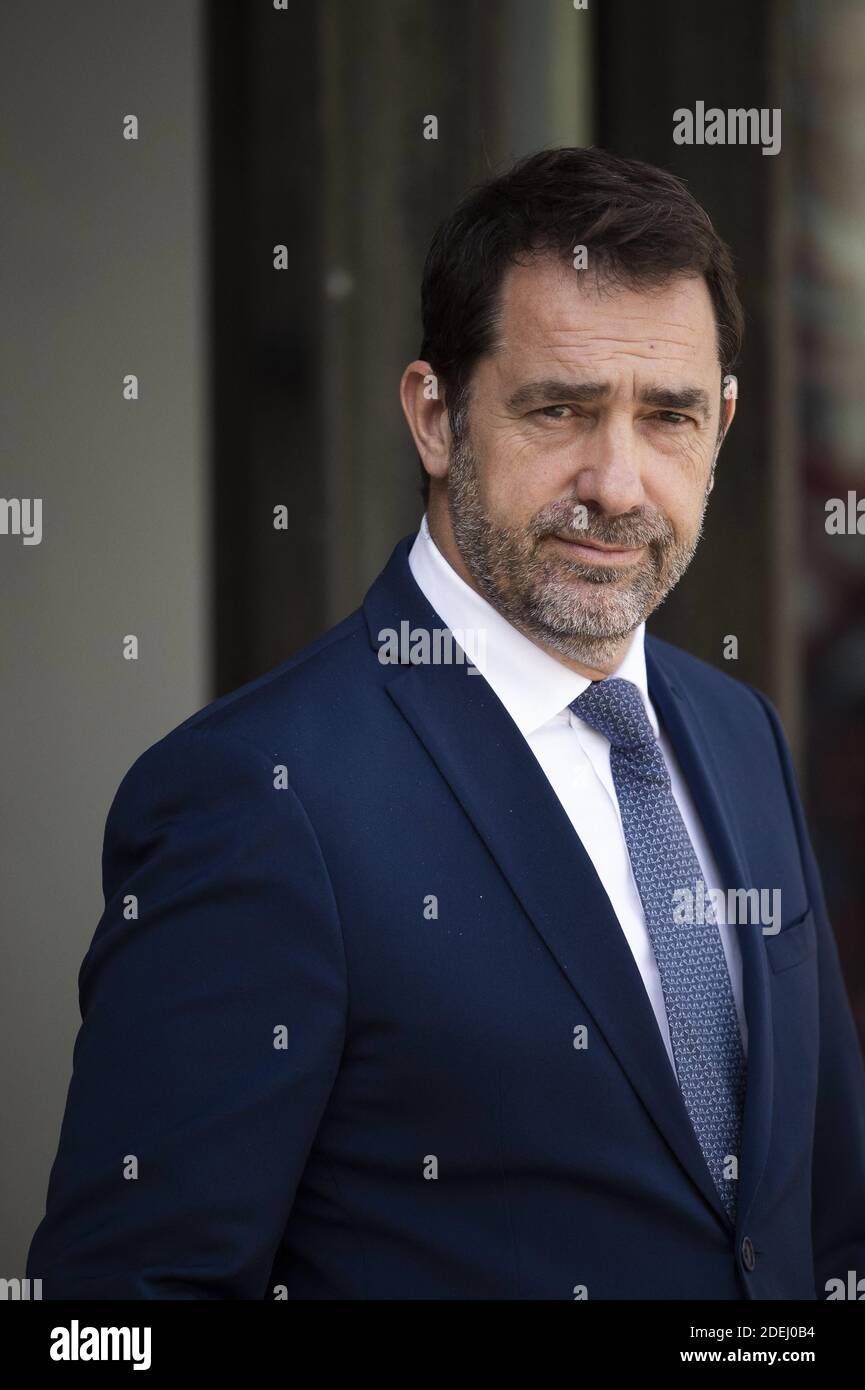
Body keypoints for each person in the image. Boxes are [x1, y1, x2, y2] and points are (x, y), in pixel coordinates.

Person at [28, 146, 865, 1299]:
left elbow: (821, 1230)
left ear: (720, 425)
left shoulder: (740, 737)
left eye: (666, 416)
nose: (617, 482)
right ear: (434, 416)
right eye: (559, 408)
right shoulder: (260, 798)